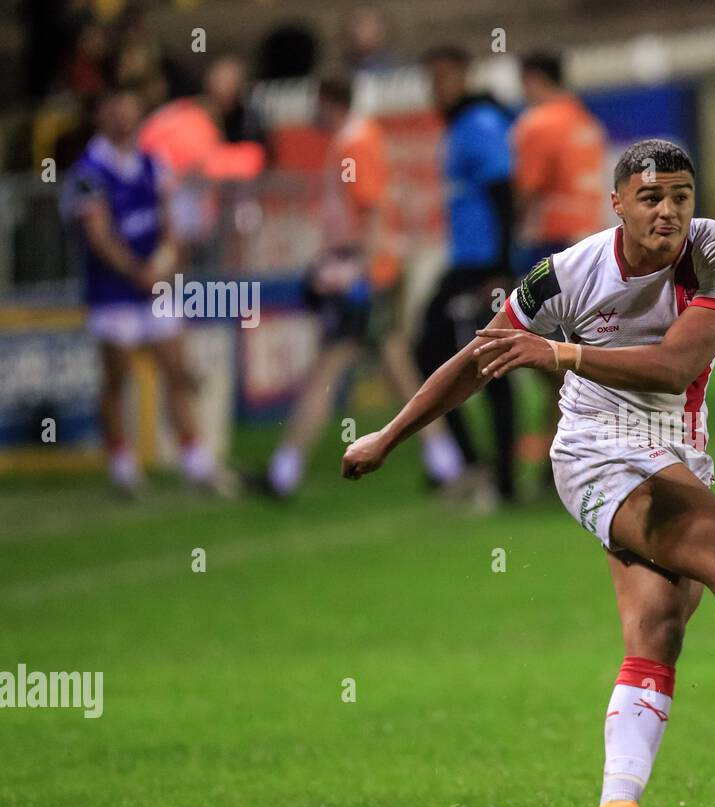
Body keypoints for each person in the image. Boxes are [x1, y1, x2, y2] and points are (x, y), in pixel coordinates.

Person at [342, 139, 715, 807]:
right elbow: (478, 358)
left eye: (681, 197)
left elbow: (677, 365)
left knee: (658, 627)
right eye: (650, 198)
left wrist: (563, 353)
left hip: (677, 448)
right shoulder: (567, 273)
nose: (668, 212)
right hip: (595, 447)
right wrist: (388, 435)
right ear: (616, 203)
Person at [262, 71, 446, 497]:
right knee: (397, 367)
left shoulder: (354, 143)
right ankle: (444, 459)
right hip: (371, 270)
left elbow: (372, 208)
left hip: (362, 274)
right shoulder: (364, 138)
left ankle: (284, 470)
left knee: (327, 368)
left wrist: (355, 272)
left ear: (328, 100)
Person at [63, 84, 230, 496]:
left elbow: (171, 225)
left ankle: (196, 462)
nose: (124, 116)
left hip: (154, 289)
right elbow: (98, 235)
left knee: (175, 370)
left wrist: (164, 266)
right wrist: (137, 270)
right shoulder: (87, 173)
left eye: (130, 108)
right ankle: (121, 464)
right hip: (112, 293)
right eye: (115, 108)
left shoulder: (155, 164)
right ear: (101, 115)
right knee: (116, 379)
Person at [415, 45, 517, 506]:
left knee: (486, 361)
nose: (437, 87)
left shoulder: (479, 124)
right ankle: (483, 471)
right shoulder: (460, 126)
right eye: (431, 78)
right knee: (446, 355)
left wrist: (500, 269)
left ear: (464, 74)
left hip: (481, 266)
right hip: (465, 262)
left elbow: (503, 195)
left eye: (444, 75)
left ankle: (497, 478)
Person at [512, 52, 609, 492]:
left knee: (547, 359)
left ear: (533, 79)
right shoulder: (585, 122)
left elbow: (527, 194)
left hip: (551, 250)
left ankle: (580, 456)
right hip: (590, 248)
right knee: (566, 361)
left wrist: (508, 244)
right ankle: (563, 468)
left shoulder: (538, 124)